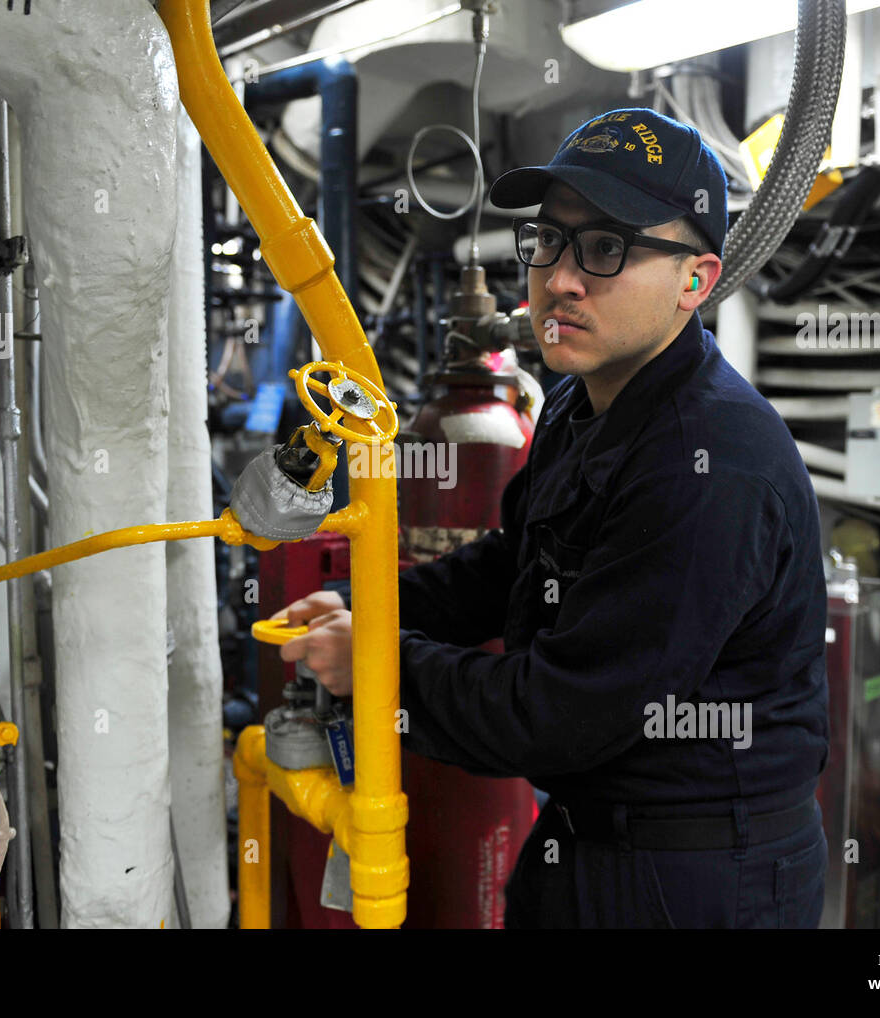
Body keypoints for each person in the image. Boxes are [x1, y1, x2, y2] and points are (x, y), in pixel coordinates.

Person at [274, 108, 830, 929]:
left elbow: (561, 713)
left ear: (696, 280)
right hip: (589, 837)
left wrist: (378, 664)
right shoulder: (582, 401)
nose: (561, 279)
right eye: (550, 241)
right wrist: (373, 607)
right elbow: (513, 563)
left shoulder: (707, 464)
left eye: (607, 249)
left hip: (700, 875)